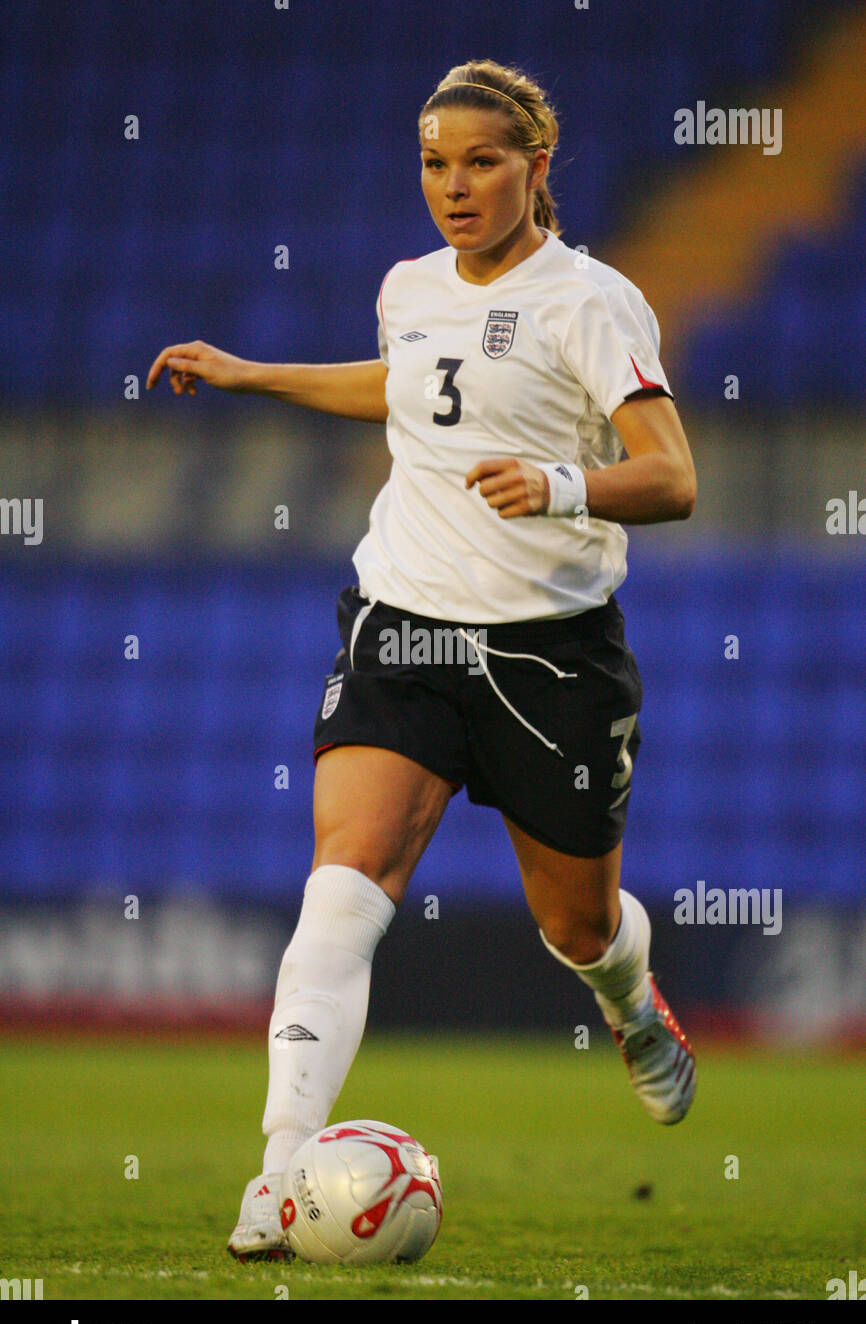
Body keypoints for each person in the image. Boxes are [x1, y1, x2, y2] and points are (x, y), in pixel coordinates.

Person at [147, 58, 698, 1262]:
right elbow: (413, 394)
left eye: (481, 161)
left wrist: (561, 482)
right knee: (339, 893)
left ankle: (628, 1005)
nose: (453, 186)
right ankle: (278, 1169)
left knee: (578, 925)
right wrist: (256, 373)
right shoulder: (408, 285)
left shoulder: (589, 300)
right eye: (434, 163)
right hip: (403, 620)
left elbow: (671, 476)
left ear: (535, 167)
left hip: (550, 654)